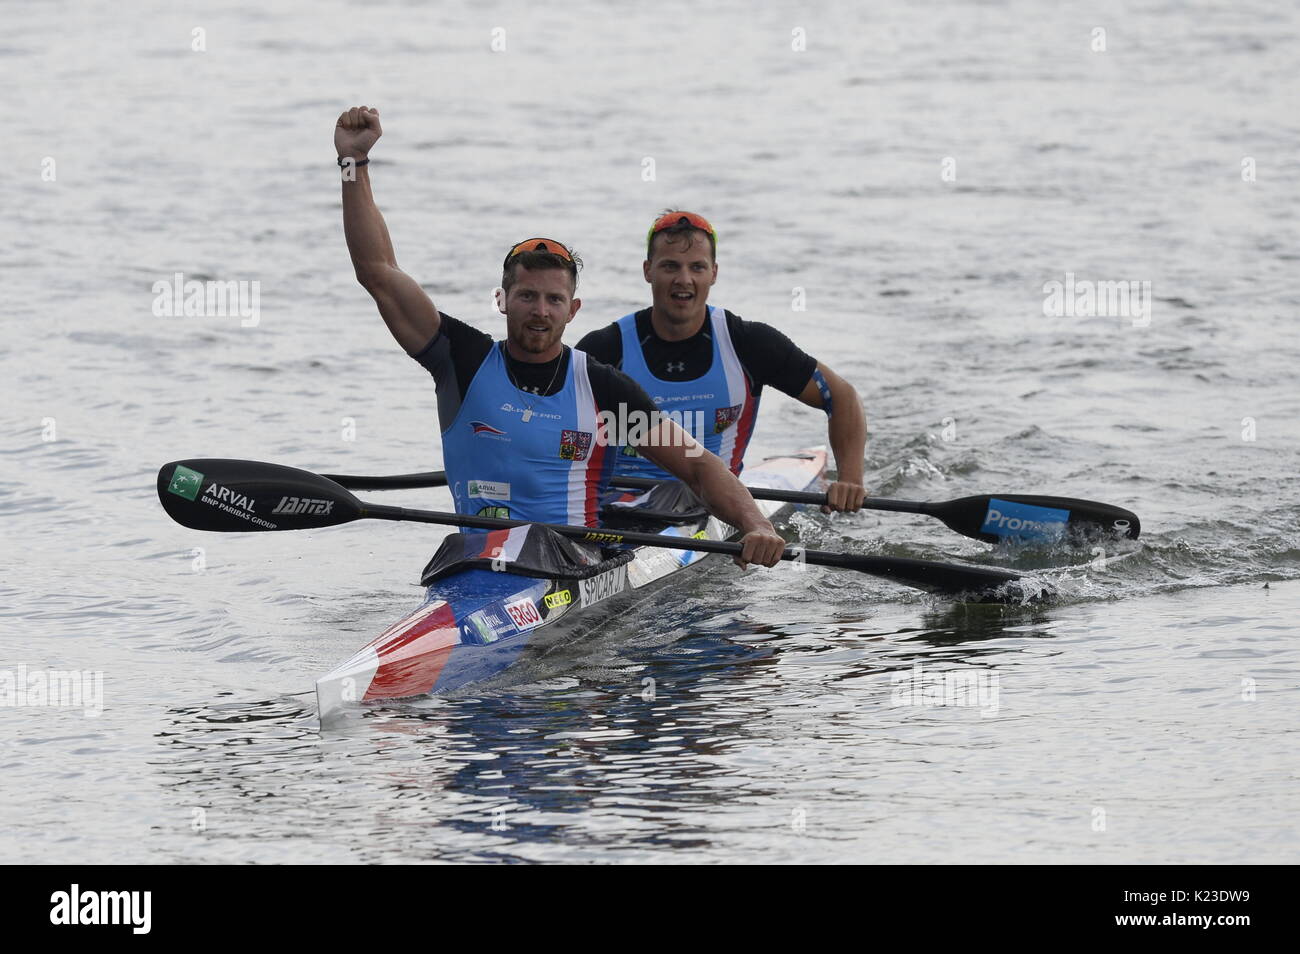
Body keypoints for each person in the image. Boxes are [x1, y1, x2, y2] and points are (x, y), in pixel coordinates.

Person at [334, 106, 786, 566]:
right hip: (474, 563)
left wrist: (757, 526)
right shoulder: (461, 362)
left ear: (573, 311)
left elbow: (696, 466)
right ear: (502, 301)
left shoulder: (601, 388)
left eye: (554, 301)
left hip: (576, 565)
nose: (540, 311)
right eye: (527, 296)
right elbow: (379, 273)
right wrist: (354, 163)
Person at [576, 210, 869, 512]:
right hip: (613, 507)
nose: (684, 279)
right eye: (670, 266)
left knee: (684, 491)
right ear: (648, 270)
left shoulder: (748, 343)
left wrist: (850, 479)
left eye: (697, 267)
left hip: (711, 502)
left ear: (713, 273)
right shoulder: (605, 349)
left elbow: (842, 397)